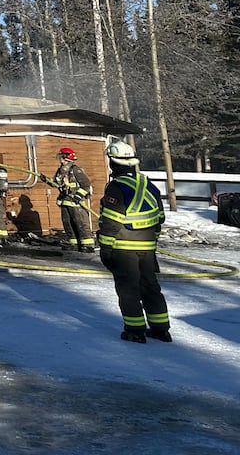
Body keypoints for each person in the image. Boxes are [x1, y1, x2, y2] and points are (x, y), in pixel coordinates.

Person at [97, 141, 171, 344]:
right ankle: (161, 329)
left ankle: (135, 330)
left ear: (113, 163)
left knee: (128, 289)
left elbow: (111, 221)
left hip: (124, 249)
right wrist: (152, 242)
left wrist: (105, 247)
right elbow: (159, 218)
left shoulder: (116, 187)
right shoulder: (148, 184)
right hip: (147, 250)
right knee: (150, 287)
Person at [53, 146, 94, 254]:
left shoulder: (75, 170)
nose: (60, 159)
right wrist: (45, 180)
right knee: (68, 224)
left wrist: (78, 196)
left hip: (76, 203)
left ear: (65, 158)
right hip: (65, 201)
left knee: (80, 223)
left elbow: (86, 185)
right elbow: (56, 184)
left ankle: (87, 245)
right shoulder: (60, 171)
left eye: (61, 157)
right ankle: (74, 243)